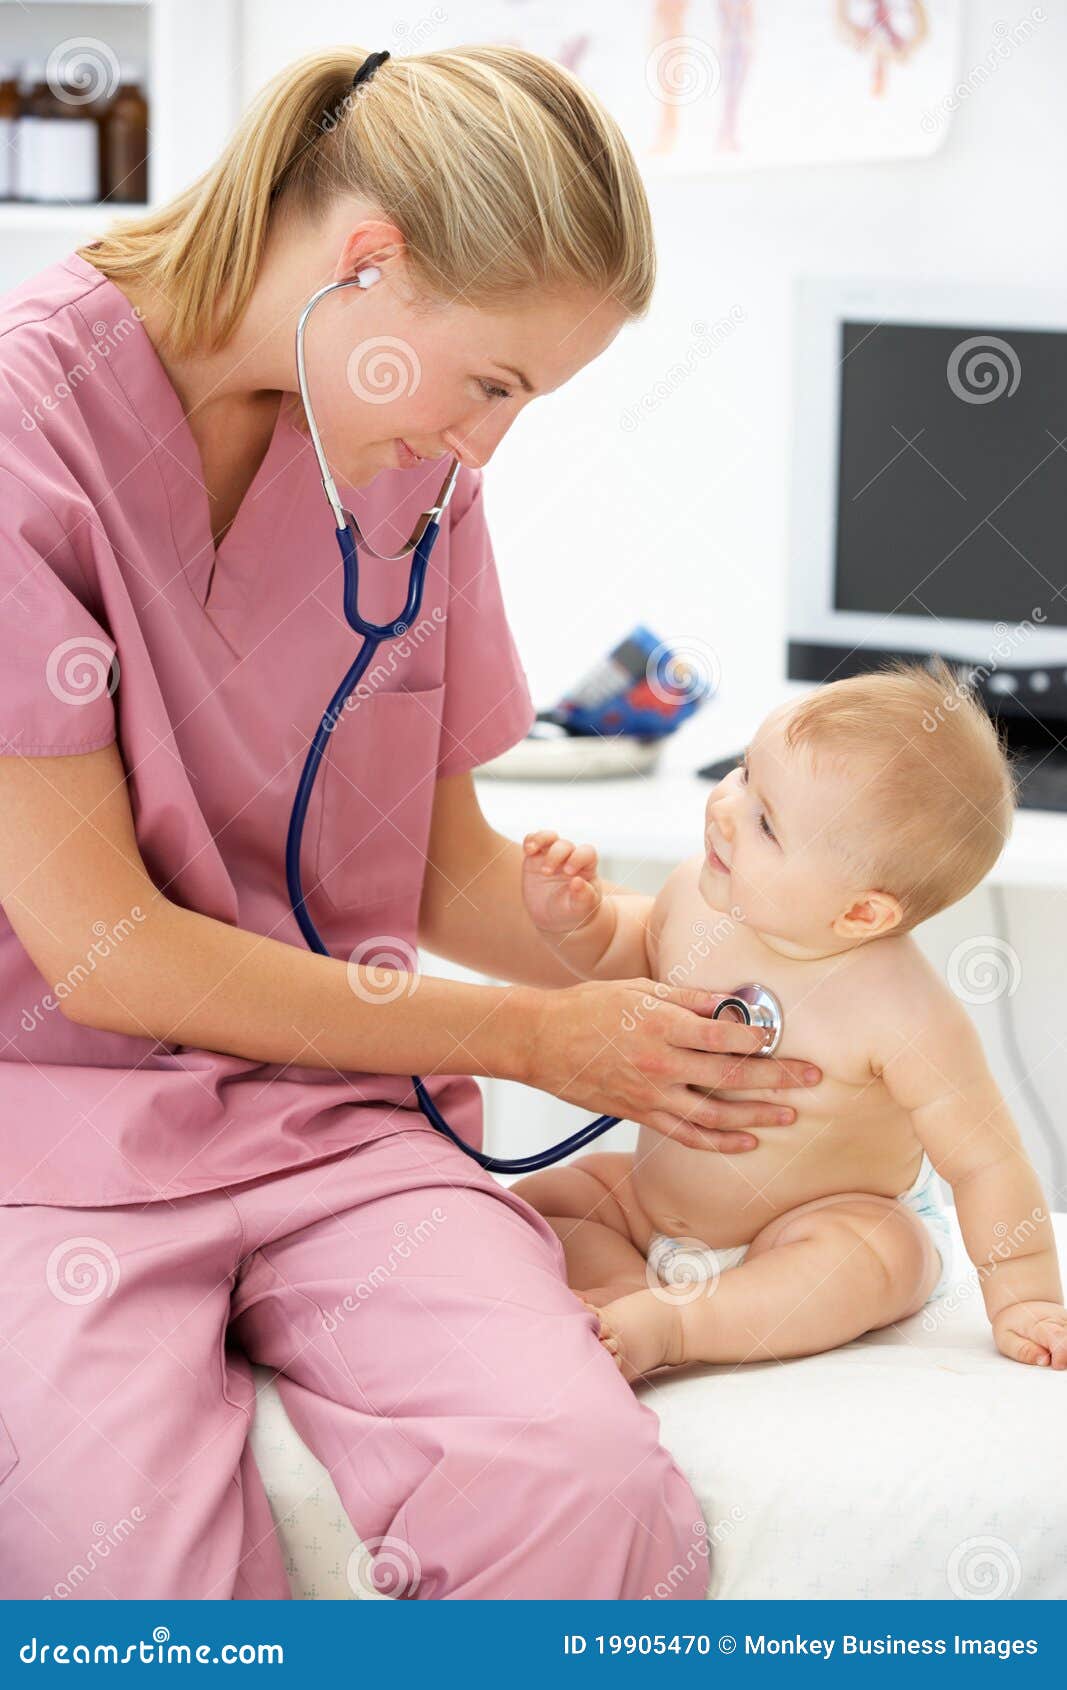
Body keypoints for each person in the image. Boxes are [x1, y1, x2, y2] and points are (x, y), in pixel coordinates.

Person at [0, 44, 821, 1601]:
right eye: (492, 382)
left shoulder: (406, 468)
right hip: (50, 1140)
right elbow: (102, 951)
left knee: (582, 1493)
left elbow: (442, 873)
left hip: (338, 1124)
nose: (484, 444)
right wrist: (534, 1038)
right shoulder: (23, 431)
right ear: (365, 256)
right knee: (133, 1592)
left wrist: (704, 969)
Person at [515, 661, 1067, 1379]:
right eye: (746, 773)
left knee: (876, 1254)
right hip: (654, 1213)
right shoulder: (697, 897)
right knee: (547, 1201)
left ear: (860, 913)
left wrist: (1026, 1298)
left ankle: (679, 1327)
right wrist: (575, 920)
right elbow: (628, 953)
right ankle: (625, 1300)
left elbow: (984, 1161)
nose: (725, 807)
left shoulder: (902, 1010)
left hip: (809, 1227)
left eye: (766, 823)